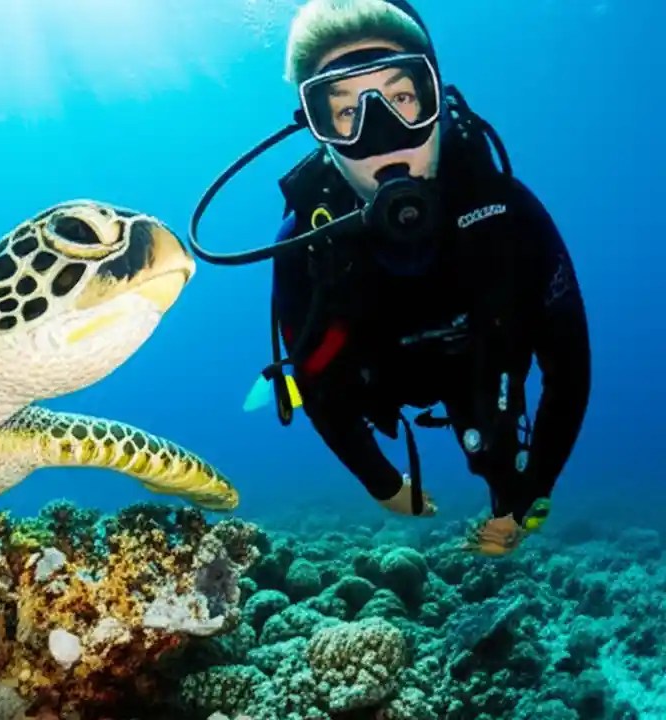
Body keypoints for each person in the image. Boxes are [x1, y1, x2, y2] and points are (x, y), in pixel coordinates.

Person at [187, 0, 591, 556]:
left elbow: (569, 368)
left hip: (481, 375)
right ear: (317, 129)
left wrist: (530, 496)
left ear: (437, 98)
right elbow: (318, 384)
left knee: (497, 451)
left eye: (402, 98)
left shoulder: (509, 216)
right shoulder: (305, 244)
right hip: (374, 382)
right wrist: (381, 483)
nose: (384, 135)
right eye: (347, 112)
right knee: (308, 385)